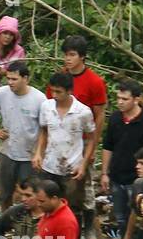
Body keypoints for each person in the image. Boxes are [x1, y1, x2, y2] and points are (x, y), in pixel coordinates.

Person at [51, 36, 109, 234]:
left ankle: (88, 227)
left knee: (85, 185)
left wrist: (93, 146)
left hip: (83, 140)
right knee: (59, 183)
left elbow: (99, 115)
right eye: (66, 54)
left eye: (72, 55)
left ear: (82, 57)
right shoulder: (60, 79)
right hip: (59, 139)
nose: (68, 59)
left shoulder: (95, 82)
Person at [99, 79, 143, 236]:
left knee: (141, 219)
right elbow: (108, 146)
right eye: (118, 98)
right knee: (121, 218)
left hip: (138, 180)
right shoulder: (115, 118)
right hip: (116, 177)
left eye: (125, 99)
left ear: (137, 99)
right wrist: (104, 173)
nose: (120, 102)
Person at [33, 72, 97, 223]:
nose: (54, 95)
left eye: (58, 92)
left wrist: (83, 164)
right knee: (46, 205)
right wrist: (38, 153)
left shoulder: (83, 112)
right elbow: (43, 131)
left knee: (73, 209)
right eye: (52, 91)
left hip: (72, 167)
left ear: (69, 91)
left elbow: (91, 138)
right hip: (50, 165)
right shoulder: (46, 107)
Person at [0, 61, 47, 208]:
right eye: (9, 78)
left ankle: (30, 225)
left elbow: (45, 128)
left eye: (14, 79)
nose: (10, 82)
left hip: (29, 155)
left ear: (25, 79)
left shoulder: (39, 99)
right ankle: (6, 223)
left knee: (31, 193)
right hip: (7, 151)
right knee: (5, 193)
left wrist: (39, 153)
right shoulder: (2, 93)